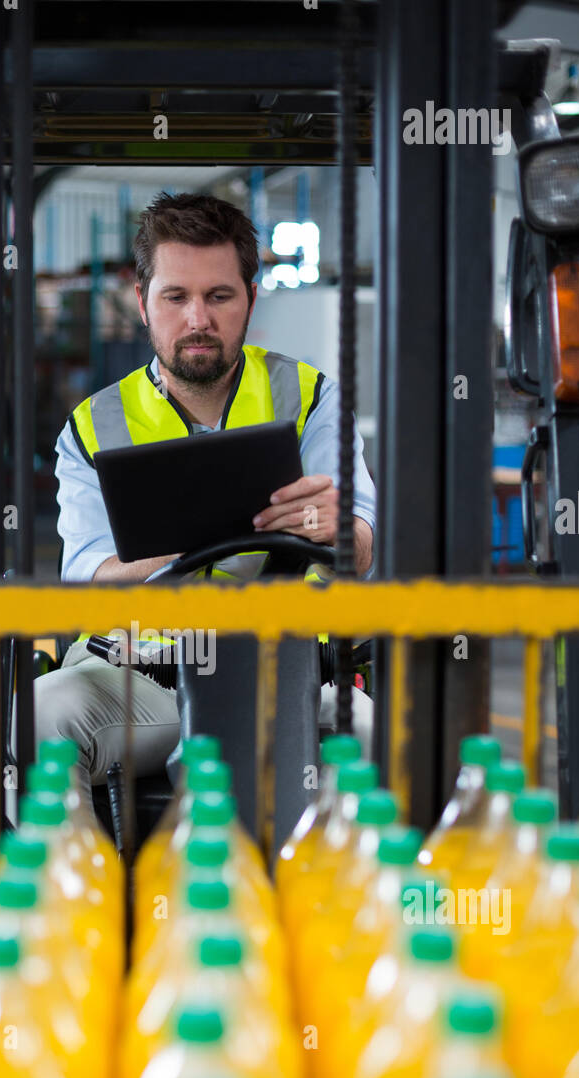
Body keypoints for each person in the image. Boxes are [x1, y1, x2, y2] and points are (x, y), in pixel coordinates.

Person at [34, 192, 376, 801]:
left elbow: (362, 543)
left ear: (249, 297)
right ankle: (82, 891)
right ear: (142, 303)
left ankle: (333, 892)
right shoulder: (93, 426)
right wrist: (197, 542)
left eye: (219, 296)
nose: (198, 319)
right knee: (41, 717)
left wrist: (336, 527)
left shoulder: (310, 397)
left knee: (377, 736)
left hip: (287, 672)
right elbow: (89, 573)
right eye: (176, 297)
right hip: (137, 681)